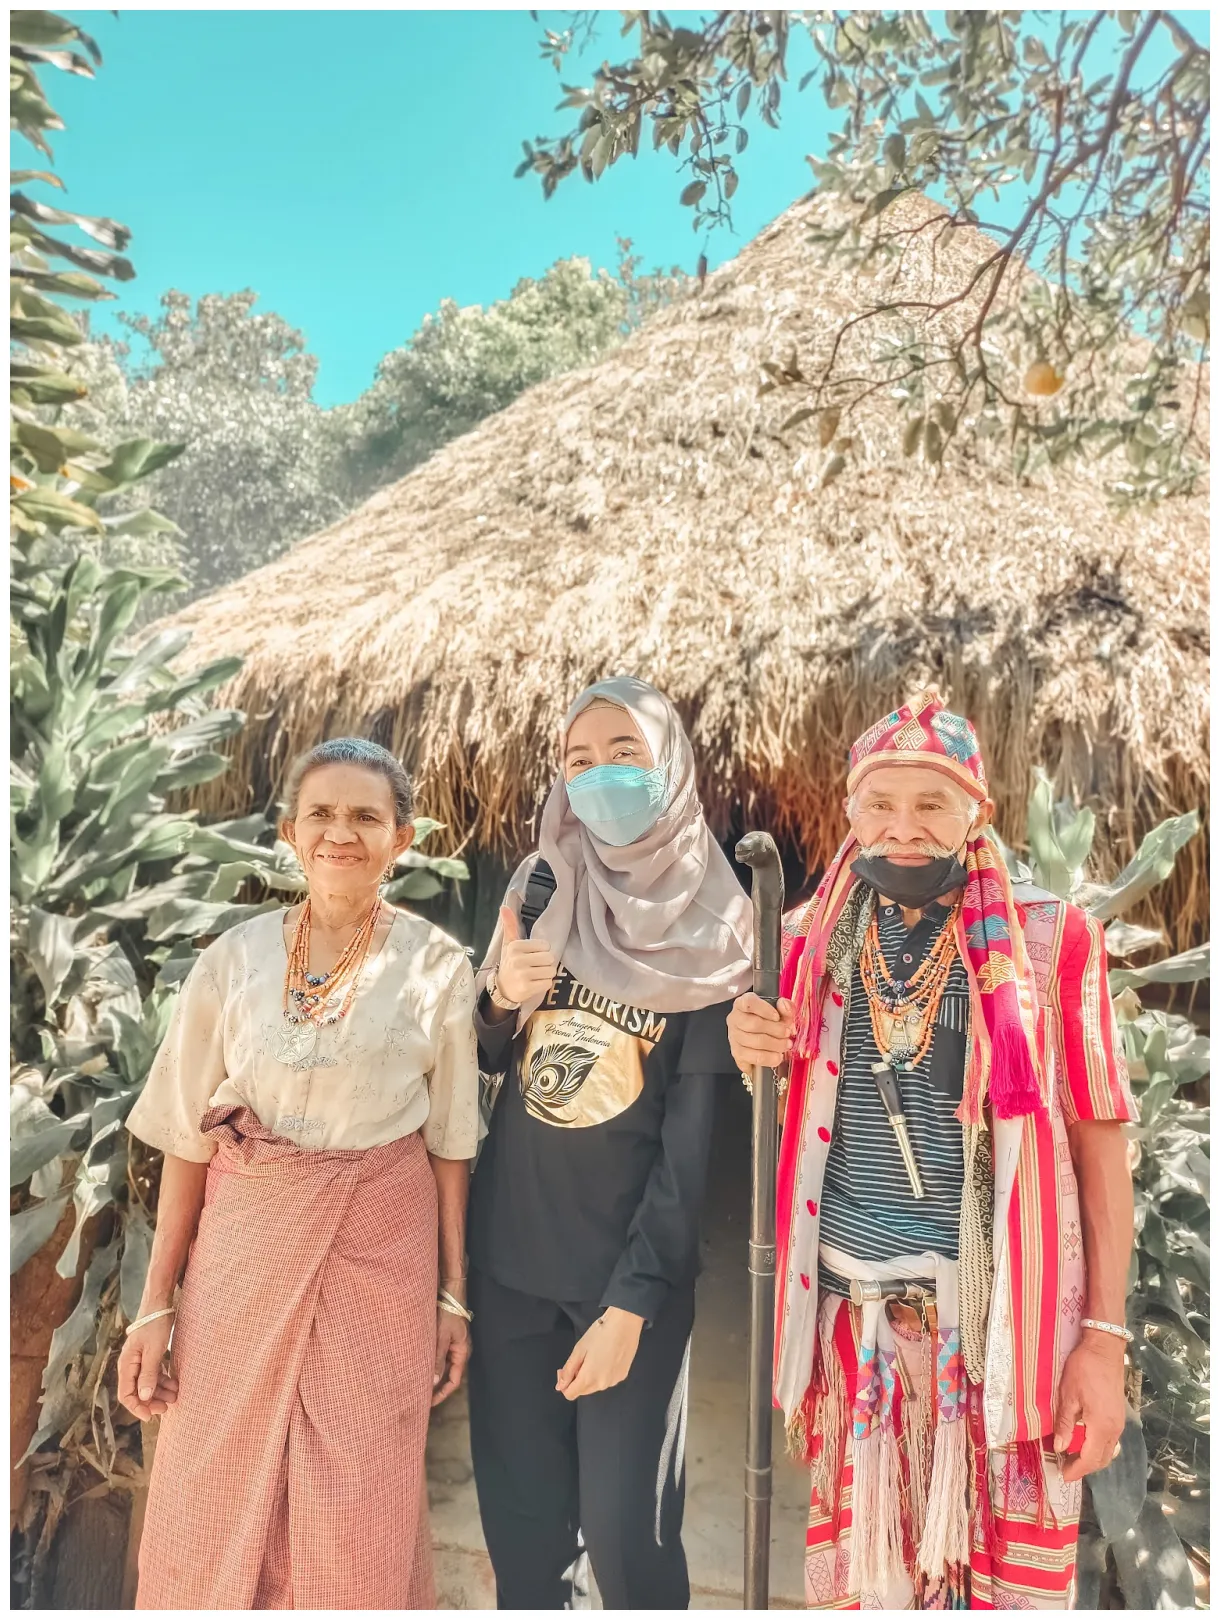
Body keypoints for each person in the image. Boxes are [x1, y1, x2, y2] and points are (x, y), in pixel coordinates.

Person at [727, 689, 1136, 1610]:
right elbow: (784, 1091)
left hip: (1006, 1335)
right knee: (870, 1587)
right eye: (880, 804)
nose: (902, 829)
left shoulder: (1051, 942)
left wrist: (1102, 1349)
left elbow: (1100, 1142)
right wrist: (750, 1040)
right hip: (856, 1331)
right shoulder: (803, 941)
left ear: (976, 812)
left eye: (930, 804)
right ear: (847, 811)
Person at [119, 737, 479, 1609]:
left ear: (403, 838)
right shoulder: (231, 961)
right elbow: (186, 1136)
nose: (340, 833)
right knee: (211, 1476)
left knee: (360, 1494)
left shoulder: (438, 968)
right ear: (289, 831)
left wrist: (452, 1293)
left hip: (377, 1264)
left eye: (365, 816)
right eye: (321, 813)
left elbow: (451, 1142)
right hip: (240, 1263)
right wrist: (156, 1301)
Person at [467, 676, 753, 1610]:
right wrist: (504, 994)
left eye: (624, 754)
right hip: (510, 1264)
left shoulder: (720, 925)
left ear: (669, 765)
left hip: (626, 1283)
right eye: (578, 761)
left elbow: (693, 1148)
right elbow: (484, 1047)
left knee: (630, 1542)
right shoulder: (544, 880)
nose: (599, 778)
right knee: (524, 1543)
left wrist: (632, 1305)